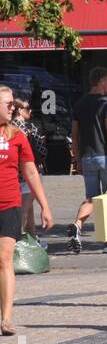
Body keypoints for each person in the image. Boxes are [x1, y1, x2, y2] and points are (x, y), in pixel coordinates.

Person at [0, 86, 55, 336]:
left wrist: (44, 205)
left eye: (13, 104)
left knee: (4, 258)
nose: (12, 107)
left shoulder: (17, 135)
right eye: (8, 104)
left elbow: (30, 171)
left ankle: (6, 318)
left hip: (10, 204)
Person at [68, 67, 107, 254]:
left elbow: (74, 135)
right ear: (101, 82)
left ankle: (78, 224)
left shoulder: (80, 103)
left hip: (87, 156)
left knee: (91, 197)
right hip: (106, 157)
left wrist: (77, 159)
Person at [11, 97, 46, 239]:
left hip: (13, 174)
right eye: (27, 108)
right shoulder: (30, 128)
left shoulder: (7, 128)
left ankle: (32, 239)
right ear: (19, 110)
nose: (30, 111)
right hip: (29, 174)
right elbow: (42, 150)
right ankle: (16, 241)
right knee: (24, 211)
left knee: (29, 211)